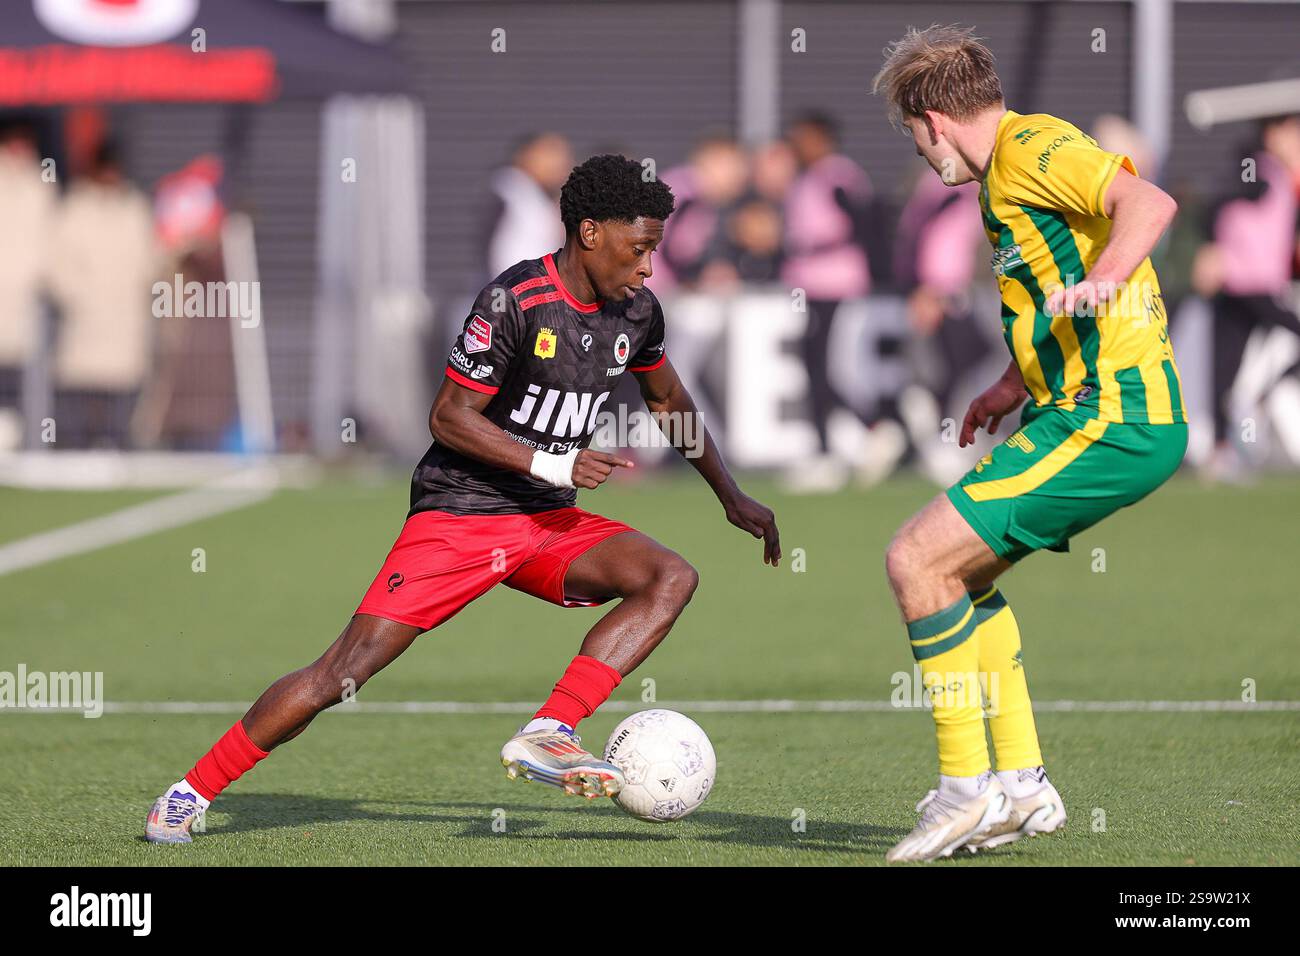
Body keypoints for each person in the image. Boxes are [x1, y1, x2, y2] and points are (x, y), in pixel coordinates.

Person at [145, 154, 780, 843]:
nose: (648, 267)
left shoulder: (637, 312)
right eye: (640, 247)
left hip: (545, 521)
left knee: (669, 575)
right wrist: (553, 458)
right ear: (590, 232)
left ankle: (550, 729)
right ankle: (189, 792)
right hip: (462, 516)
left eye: (654, 249)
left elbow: (668, 399)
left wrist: (729, 492)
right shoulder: (514, 300)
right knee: (342, 671)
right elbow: (448, 417)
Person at [872, 25, 1186, 862]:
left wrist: (1105, 282)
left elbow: (1148, 204)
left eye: (912, 132)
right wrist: (1010, 385)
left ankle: (963, 792)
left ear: (932, 119)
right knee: (959, 578)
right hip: (1076, 410)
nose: (920, 151)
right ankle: (1021, 788)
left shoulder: (1033, 144)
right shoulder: (1001, 180)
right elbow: (1056, 284)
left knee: (914, 559)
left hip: (1113, 415)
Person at [1193, 114, 1300, 479]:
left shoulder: (1281, 176)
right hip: (1249, 285)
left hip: (1252, 286)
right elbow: (1219, 200)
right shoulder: (1258, 168)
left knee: (1226, 369)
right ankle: (1223, 448)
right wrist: (1211, 248)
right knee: (1223, 367)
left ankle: (1225, 445)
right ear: (1272, 135)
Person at [483, 132, 574, 279]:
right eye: (550, 153)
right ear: (527, 155)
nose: (560, 163)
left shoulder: (537, 196)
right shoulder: (510, 191)